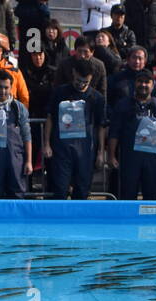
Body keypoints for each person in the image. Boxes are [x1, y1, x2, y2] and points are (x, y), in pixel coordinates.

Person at [45, 59, 105, 199]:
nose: (81, 84)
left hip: (85, 151)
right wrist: (47, 143)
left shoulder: (97, 98)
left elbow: (100, 126)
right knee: (60, 189)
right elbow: (50, 118)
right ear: (73, 73)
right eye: (78, 80)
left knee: (82, 190)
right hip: (62, 149)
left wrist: (101, 152)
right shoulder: (60, 92)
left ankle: (79, 220)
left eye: (86, 82)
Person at [109, 68, 156, 199]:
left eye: (147, 82)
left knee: (151, 196)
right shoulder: (123, 105)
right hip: (130, 159)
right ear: (134, 83)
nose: (143, 85)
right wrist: (111, 156)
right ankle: (127, 220)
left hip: (153, 159)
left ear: (153, 84)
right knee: (127, 196)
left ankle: (149, 220)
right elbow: (114, 132)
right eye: (140, 81)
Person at [123, 0, 156, 66]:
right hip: (135, 38)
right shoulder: (130, 2)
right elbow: (125, 17)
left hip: (151, 40)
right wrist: (133, 24)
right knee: (134, 63)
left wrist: (155, 25)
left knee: (149, 64)